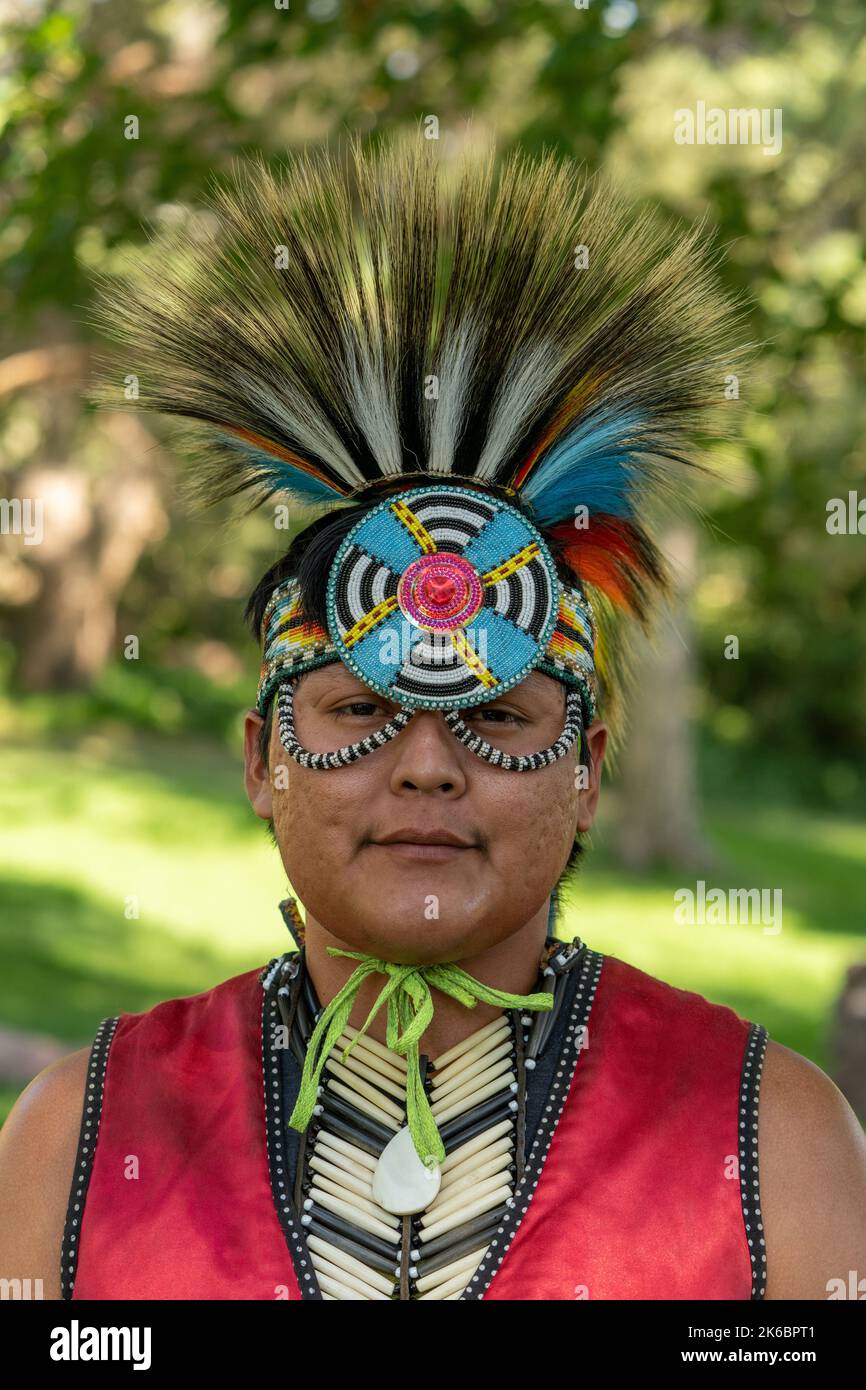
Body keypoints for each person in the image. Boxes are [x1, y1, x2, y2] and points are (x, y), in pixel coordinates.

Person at [1, 130, 865, 1302]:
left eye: (499, 720)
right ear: (262, 760)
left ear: (589, 773)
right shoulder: (79, 1138)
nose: (424, 768)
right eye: (358, 706)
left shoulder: (771, 1143)